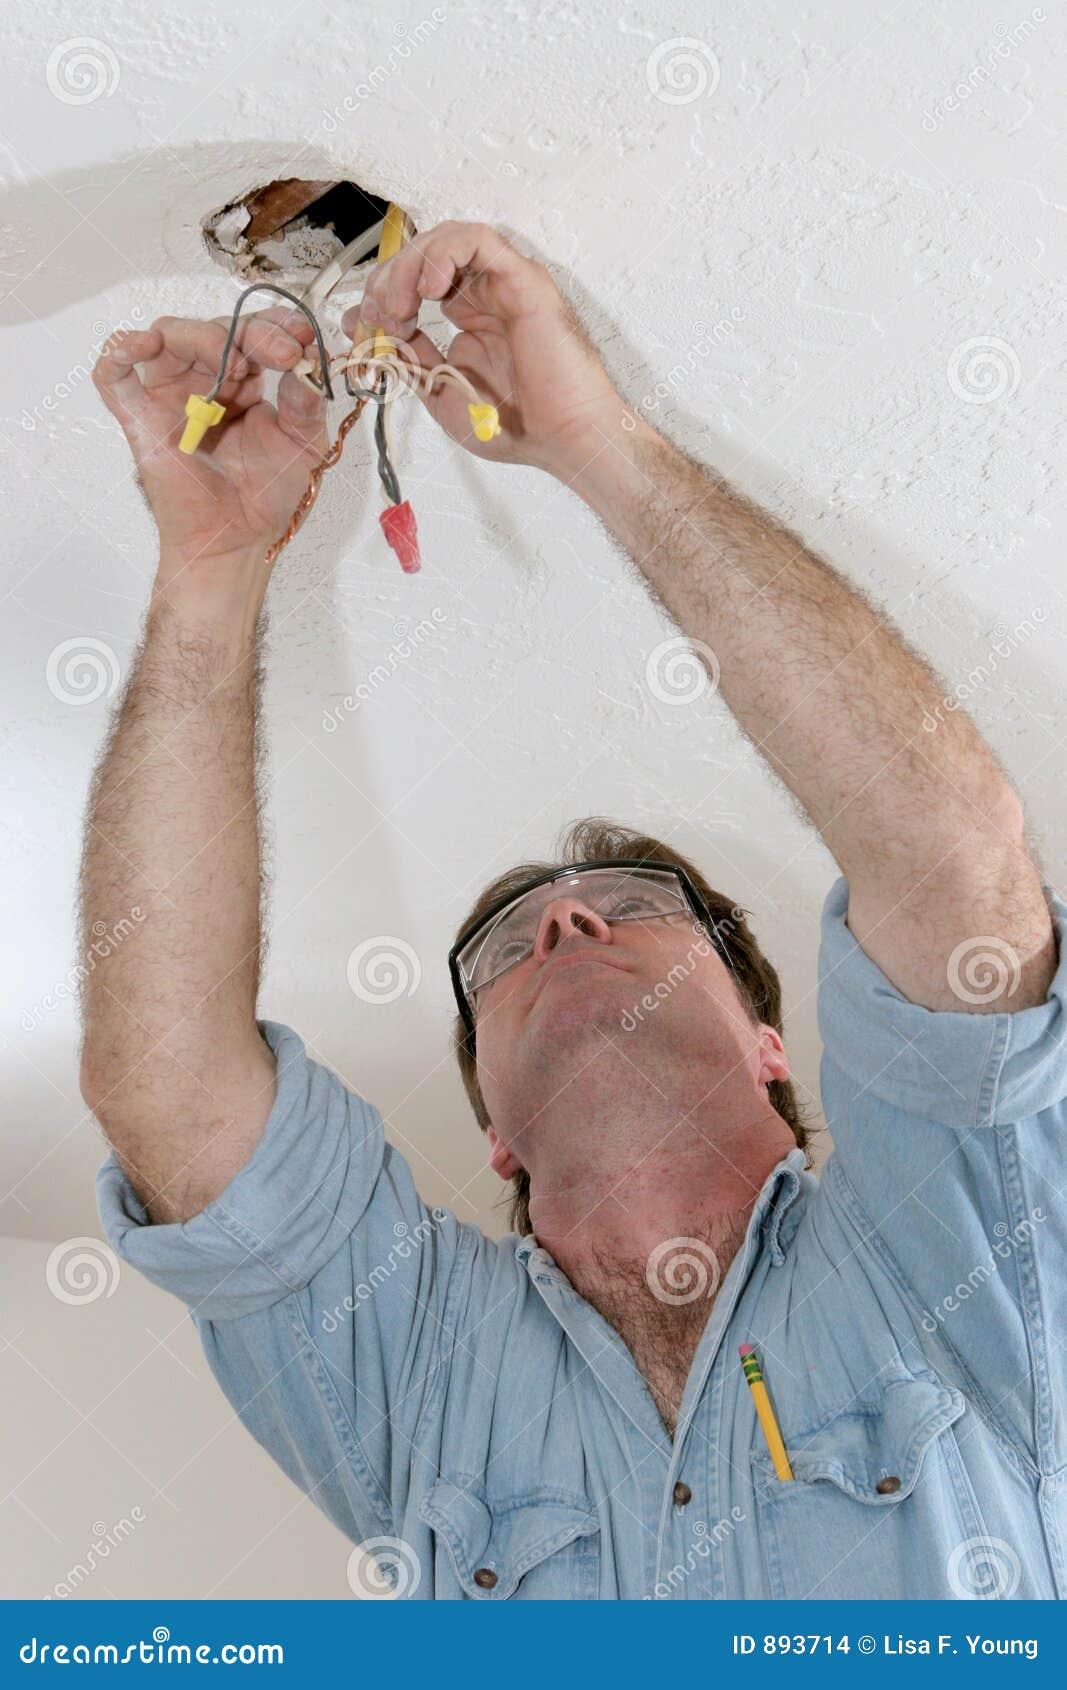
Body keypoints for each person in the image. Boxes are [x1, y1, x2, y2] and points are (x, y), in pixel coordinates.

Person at [83, 222, 1065, 1601]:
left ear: (772, 1040)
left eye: (632, 904)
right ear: (491, 1119)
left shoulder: (953, 1264)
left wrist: (596, 437)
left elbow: (961, 864)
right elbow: (168, 1094)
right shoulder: (412, 1357)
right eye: (504, 947)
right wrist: (212, 563)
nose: (564, 927)